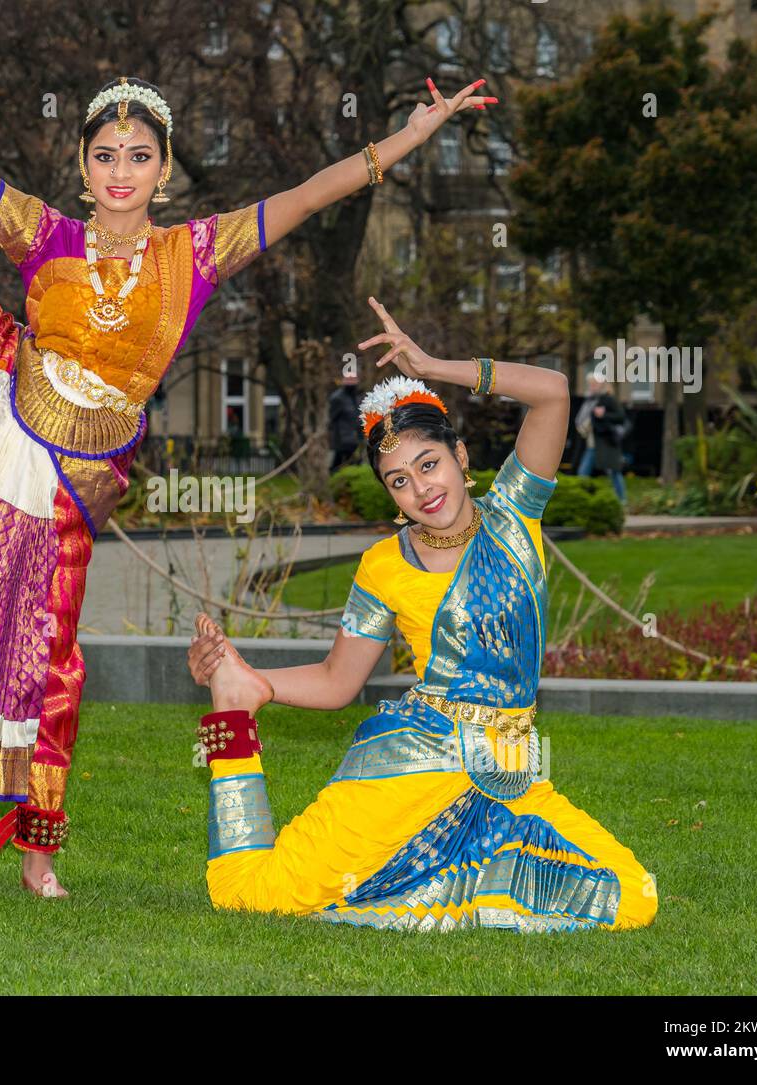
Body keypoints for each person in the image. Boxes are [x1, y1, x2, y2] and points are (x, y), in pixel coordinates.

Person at [0, 37, 499, 898]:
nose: (121, 171)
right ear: (84, 170)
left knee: (47, 654)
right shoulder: (40, 231)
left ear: (162, 171)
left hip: (72, 486)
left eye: (139, 156)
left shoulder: (195, 254)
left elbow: (311, 193)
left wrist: (413, 135)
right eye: (104, 156)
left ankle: (37, 853)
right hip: (3, 423)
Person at [185, 297, 657, 932]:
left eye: (428, 464)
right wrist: (259, 684)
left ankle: (466, 880)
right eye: (398, 480)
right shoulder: (384, 564)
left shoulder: (513, 520)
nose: (421, 489)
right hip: (411, 761)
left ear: (460, 458)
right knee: (255, 894)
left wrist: (434, 365)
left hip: (508, 776)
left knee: (628, 897)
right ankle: (234, 706)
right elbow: (337, 681)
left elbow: (551, 393)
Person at [576, 376, 628, 504]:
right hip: (592, 444)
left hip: (607, 444)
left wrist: (603, 414)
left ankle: (622, 501)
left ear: (602, 385)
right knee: (583, 473)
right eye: (591, 384)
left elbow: (621, 417)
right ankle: (581, 501)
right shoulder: (589, 401)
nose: (592, 386)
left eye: (595, 384)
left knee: (614, 472)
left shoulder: (608, 399)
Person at [328, 373, 362, 471]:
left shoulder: (356, 396)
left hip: (355, 438)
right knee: (338, 463)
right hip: (342, 439)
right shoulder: (337, 398)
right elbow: (332, 419)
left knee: (355, 463)